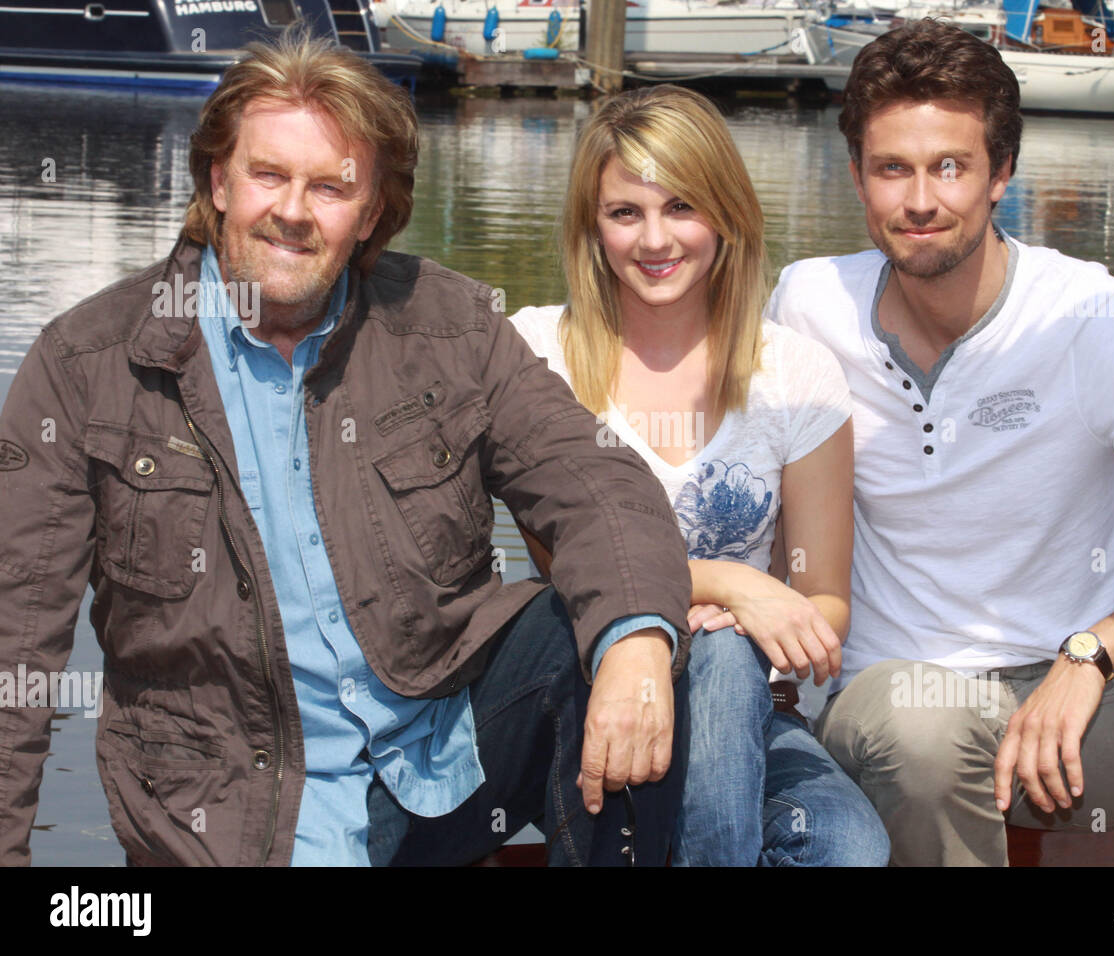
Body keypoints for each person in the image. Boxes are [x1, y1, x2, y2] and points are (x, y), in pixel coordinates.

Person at [0, 30, 695, 867]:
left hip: (443, 764)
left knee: (647, 642)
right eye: (268, 175)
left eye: (331, 187)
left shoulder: (447, 323)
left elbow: (597, 479)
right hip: (231, 813)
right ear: (219, 181)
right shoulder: (86, 363)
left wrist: (636, 643)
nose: (293, 211)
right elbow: (15, 643)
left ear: (370, 213)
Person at [765, 17, 1114, 866]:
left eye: (951, 167)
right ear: (860, 179)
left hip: (1080, 713)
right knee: (922, 722)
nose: (920, 201)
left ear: (1002, 174)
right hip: (891, 706)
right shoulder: (807, 303)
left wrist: (1091, 655)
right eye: (891, 169)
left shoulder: (1095, 315)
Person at [509, 85, 889, 866]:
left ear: (725, 214)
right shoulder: (537, 354)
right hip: (588, 689)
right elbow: (568, 566)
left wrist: (748, 610)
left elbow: (823, 605)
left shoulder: (794, 371)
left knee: (847, 845)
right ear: (592, 224)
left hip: (743, 707)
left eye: (681, 207)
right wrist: (731, 583)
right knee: (711, 645)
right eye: (625, 213)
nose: (655, 239)